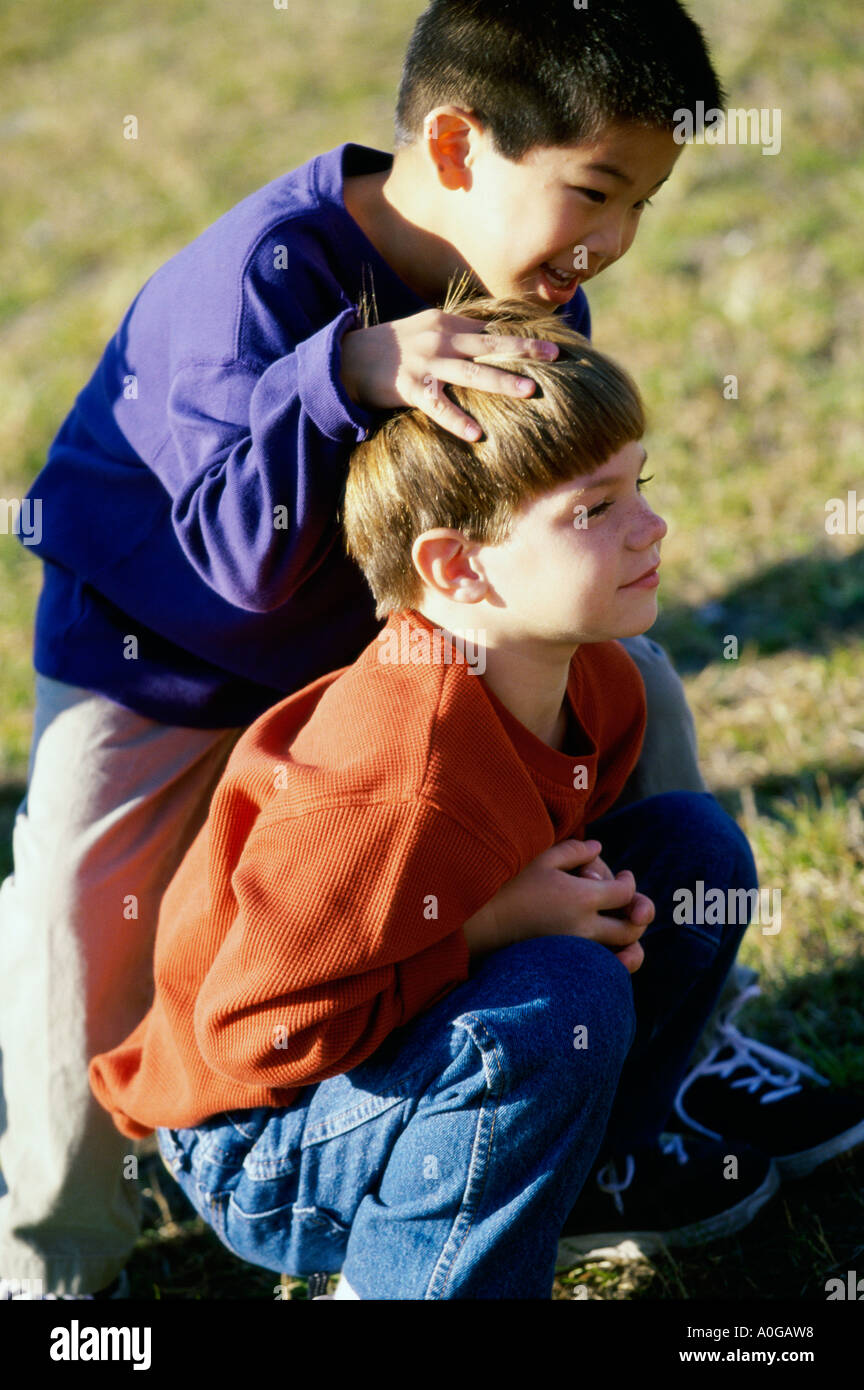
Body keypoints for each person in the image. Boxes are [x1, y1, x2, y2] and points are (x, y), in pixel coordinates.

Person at [2, 0, 859, 1300]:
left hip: (378, 641)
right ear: (457, 145)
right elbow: (236, 555)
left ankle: (652, 1082)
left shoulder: (519, 273)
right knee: (81, 916)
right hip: (162, 653)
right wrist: (348, 371)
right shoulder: (256, 278)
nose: (616, 240)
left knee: (647, 714)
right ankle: (59, 1257)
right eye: (594, 191)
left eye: (644, 204)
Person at [88, 294, 778, 1300]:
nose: (652, 525)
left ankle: (575, 1182)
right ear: (456, 566)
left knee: (693, 852)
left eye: (642, 485)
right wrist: (489, 928)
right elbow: (254, 1032)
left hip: (389, 1048)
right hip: (263, 1139)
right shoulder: (388, 777)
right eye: (595, 509)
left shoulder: (599, 681)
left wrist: (530, 921)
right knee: (562, 995)